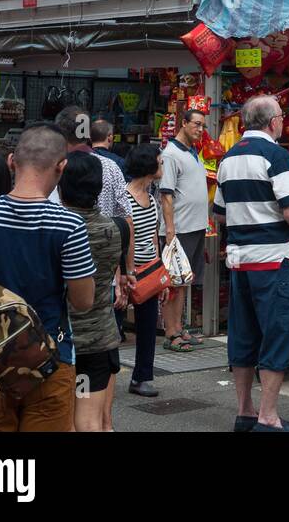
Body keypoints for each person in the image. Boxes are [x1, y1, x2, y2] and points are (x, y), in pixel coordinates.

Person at [0, 125, 96, 432]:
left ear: (11, 161)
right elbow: (83, 301)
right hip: (51, 361)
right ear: (61, 166)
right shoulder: (68, 225)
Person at [214, 95, 289, 432]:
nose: (283, 122)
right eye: (282, 116)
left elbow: (220, 214)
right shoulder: (276, 155)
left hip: (240, 262)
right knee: (279, 334)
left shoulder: (228, 159)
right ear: (272, 122)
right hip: (274, 261)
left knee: (243, 335)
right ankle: (269, 416)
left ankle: (245, 411)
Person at [58, 152, 127, 432]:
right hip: (99, 338)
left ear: (61, 186)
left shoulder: (58, 229)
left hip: (62, 339)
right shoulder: (117, 229)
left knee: (64, 420)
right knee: (89, 420)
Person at [159, 107, 210, 352]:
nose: (200, 129)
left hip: (194, 227)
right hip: (179, 229)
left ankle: (179, 328)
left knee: (183, 282)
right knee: (173, 283)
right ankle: (171, 333)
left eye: (203, 125)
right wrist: (170, 231)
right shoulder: (170, 154)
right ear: (183, 123)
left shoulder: (192, 152)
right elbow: (166, 195)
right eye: (196, 124)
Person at [122, 144, 163, 400]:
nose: (162, 166)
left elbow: (152, 235)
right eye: (159, 161)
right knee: (115, 326)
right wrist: (127, 271)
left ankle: (141, 376)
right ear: (149, 166)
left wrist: (159, 270)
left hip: (149, 270)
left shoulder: (152, 196)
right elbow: (128, 238)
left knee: (148, 326)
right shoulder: (125, 198)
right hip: (128, 271)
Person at [52, 106, 129, 220]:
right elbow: (126, 215)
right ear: (88, 134)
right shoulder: (111, 166)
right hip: (104, 235)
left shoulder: (53, 167)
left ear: (59, 133)